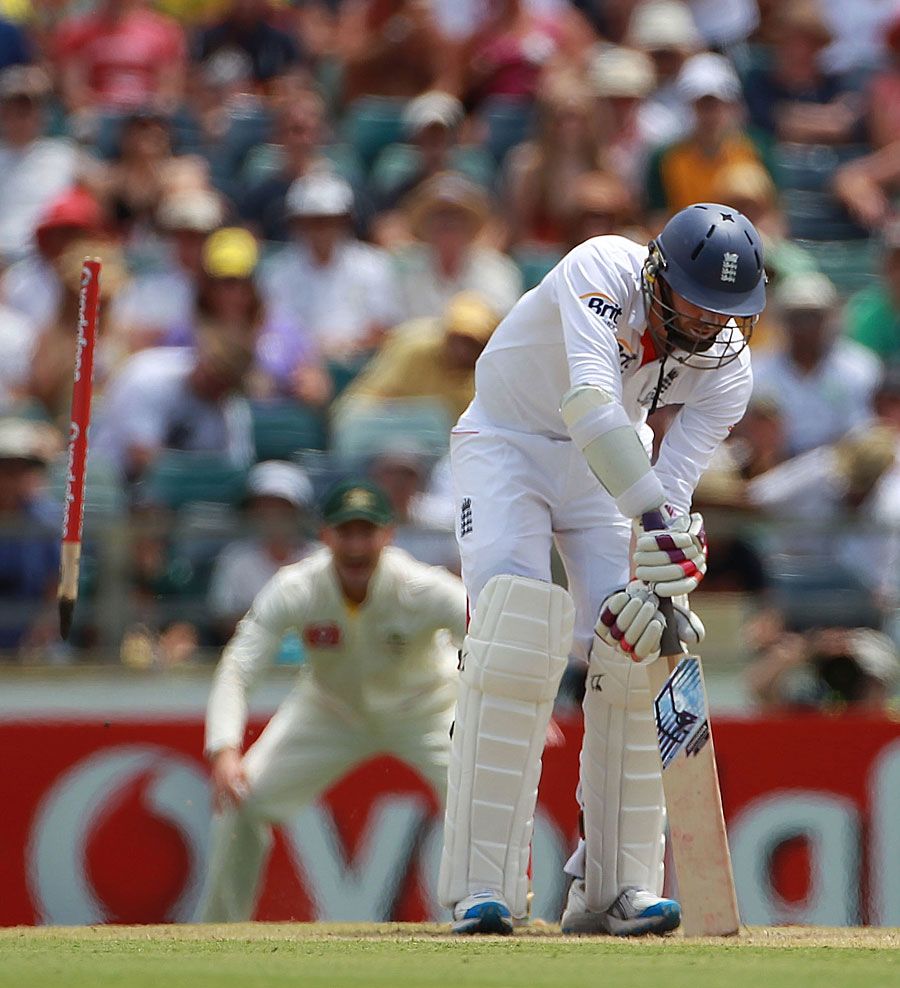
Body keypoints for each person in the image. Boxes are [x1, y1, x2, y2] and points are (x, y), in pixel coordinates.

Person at [438, 202, 766, 936]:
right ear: (659, 274)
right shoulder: (600, 270)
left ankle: (614, 885)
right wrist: (657, 522)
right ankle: (482, 886)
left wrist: (672, 553)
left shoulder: (727, 368)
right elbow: (589, 401)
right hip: (509, 442)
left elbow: (673, 482)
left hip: (608, 478)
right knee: (513, 631)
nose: (713, 323)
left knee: (631, 638)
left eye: (728, 310)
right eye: (698, 300)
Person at [197, 478, 467, 921]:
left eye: (367, 532)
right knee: (242, 798)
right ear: (325, 536)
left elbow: (482, 636)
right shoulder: (296, 587)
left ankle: (495, 911)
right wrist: (224, 749)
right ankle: (216, 930)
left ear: (388, 535)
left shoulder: (422, 587)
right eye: (346, 532)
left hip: (427, 708)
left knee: (478, 796)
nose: (357, 546)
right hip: (329, 709)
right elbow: (239, 666)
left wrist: (510, 705)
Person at [752, 272, 881, 456]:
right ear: (782, 320)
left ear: (830, 319)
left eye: (812, 317)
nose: (805, 327)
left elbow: (863, 433)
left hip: (841, 467)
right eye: (796, 317)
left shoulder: (860, 368)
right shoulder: (758, 371)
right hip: (775, 466)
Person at [207, 460, 318, 642]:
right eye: (264, 507)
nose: (272, 516)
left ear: (299, 512)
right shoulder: (236, 559)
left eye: (282, 508)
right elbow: (223, 619)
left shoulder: (319, 557)